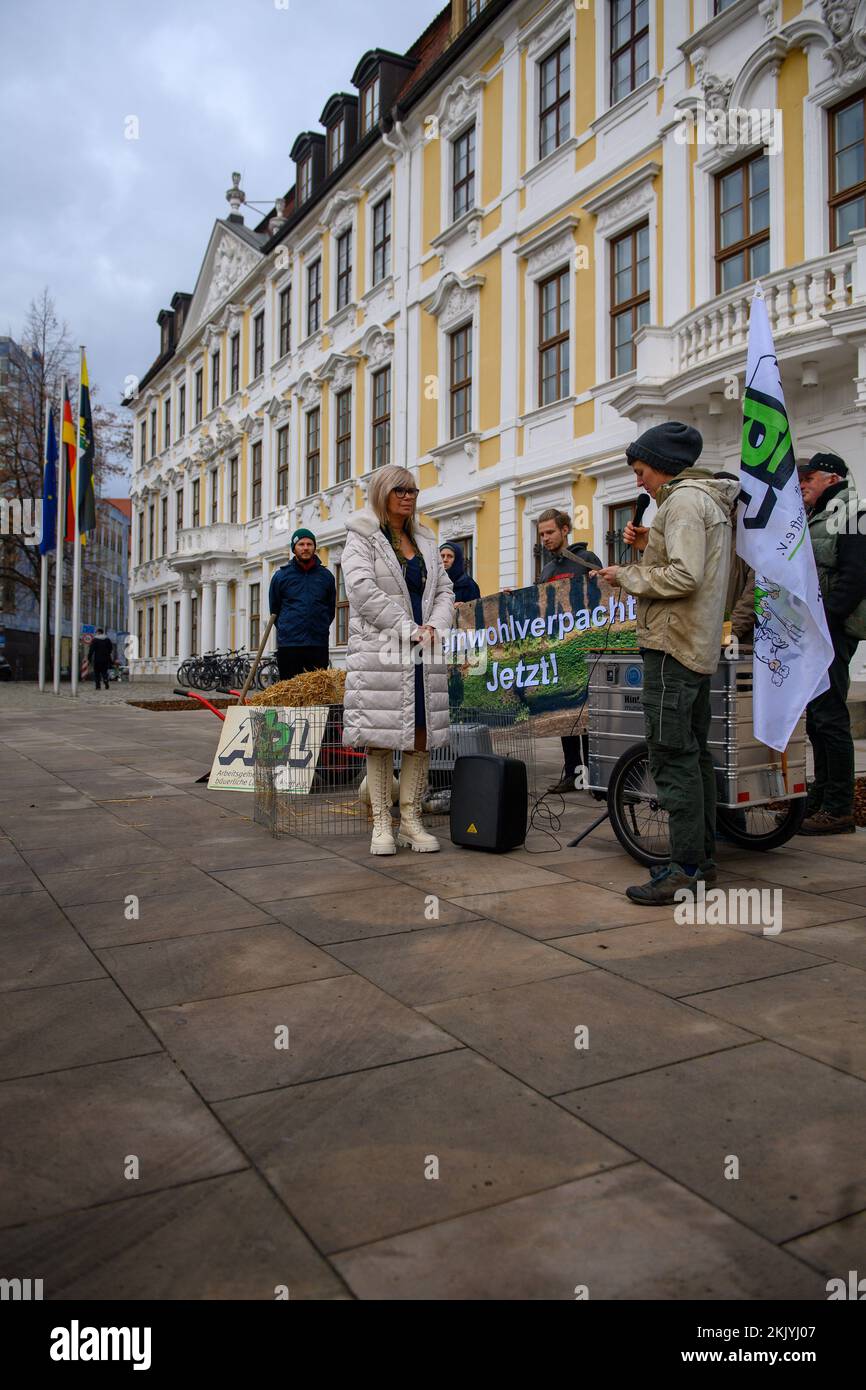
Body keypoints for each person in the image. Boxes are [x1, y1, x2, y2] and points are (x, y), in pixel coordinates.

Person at [590, 422, 739, 905]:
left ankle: (686, 869)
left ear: (661, 466)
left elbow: (684, 575)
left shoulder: (682, 503)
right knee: (693, 755)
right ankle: (701, 860)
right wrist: (644, 551)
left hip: (673, 647)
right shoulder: (701, 502)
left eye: (640, 470)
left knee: (671, 755)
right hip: (692, 645)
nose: (638, 481)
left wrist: (626, 575)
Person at [341, 465, 455, 855]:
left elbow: (445, 591)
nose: (408, 496)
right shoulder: (362, 537)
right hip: (381, 655)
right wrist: (408, 628)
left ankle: (410, 820)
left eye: (413, 491)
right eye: (400, 490)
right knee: (380, 738)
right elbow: (361, 591)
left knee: (419, 738)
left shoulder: (423, 539)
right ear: (382, 492)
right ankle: (380, 824)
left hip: (425, 652)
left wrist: (435, 626)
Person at [797, 452, 866, 835]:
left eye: (809, 476)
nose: (802, 482)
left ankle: (838, 808)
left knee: (831, 717)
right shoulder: (815, 516)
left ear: (832, 478)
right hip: (815, 629)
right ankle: (821, 798)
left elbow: (856, 577)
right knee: (818, 720)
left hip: (832, 631)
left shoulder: (853, 510)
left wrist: (826, 622)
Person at [536, 508, 602, 795]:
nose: (545, 538)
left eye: (550, 532)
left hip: (586, 648)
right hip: (559, 651)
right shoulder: (547, 570)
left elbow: (603, 596)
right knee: (566, 714)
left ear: (565, 530)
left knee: (588, 715)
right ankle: (572, 772)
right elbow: (537, 606)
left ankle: (595, 772)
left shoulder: (585, 561)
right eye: (541, 534)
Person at [268, 528, 336, 682]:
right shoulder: (281, 577)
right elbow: (275, 609)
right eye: (301, 544)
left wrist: (320, 626)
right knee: (290, 692)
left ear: (314, 547)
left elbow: (330, 609)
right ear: (294, 548)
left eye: (309, 544)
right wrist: (289, 628)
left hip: (318, 644)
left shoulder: (326, 577)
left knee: (317, 691)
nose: (305, 548)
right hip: (289, 645)